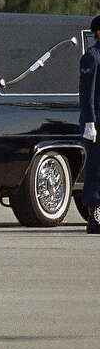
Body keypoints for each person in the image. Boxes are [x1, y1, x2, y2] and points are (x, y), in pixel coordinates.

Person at [79, 14, 100, 234]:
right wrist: (89, 121)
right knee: (95, 171)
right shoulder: (91, 57)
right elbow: (87, 94)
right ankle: (94, 215)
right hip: (96, 124)